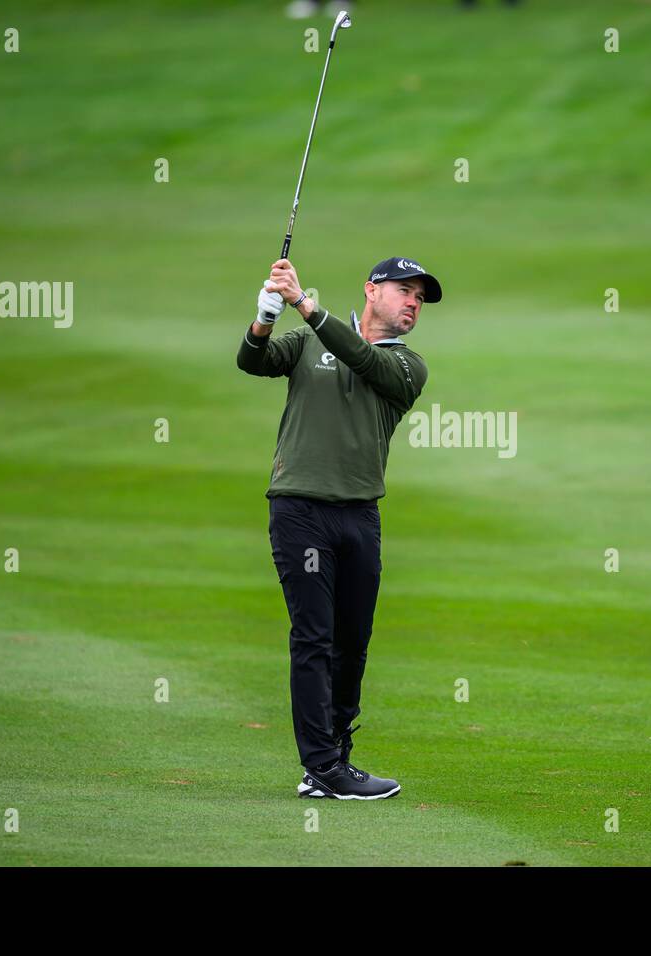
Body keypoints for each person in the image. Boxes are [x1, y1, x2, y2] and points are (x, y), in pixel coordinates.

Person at [236, 256, 440, 799]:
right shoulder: (307, 343)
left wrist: (305, 305)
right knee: (313, 636)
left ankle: (336, 759)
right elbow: (252, 362)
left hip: (359, 518)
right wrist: (264, 319)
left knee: (353, 642)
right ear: (372, 291)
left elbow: (362, 359)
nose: (413, 303)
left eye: (420, 297)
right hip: (299, 510)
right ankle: (322, 765)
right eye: (405, 291)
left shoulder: (407, 367)